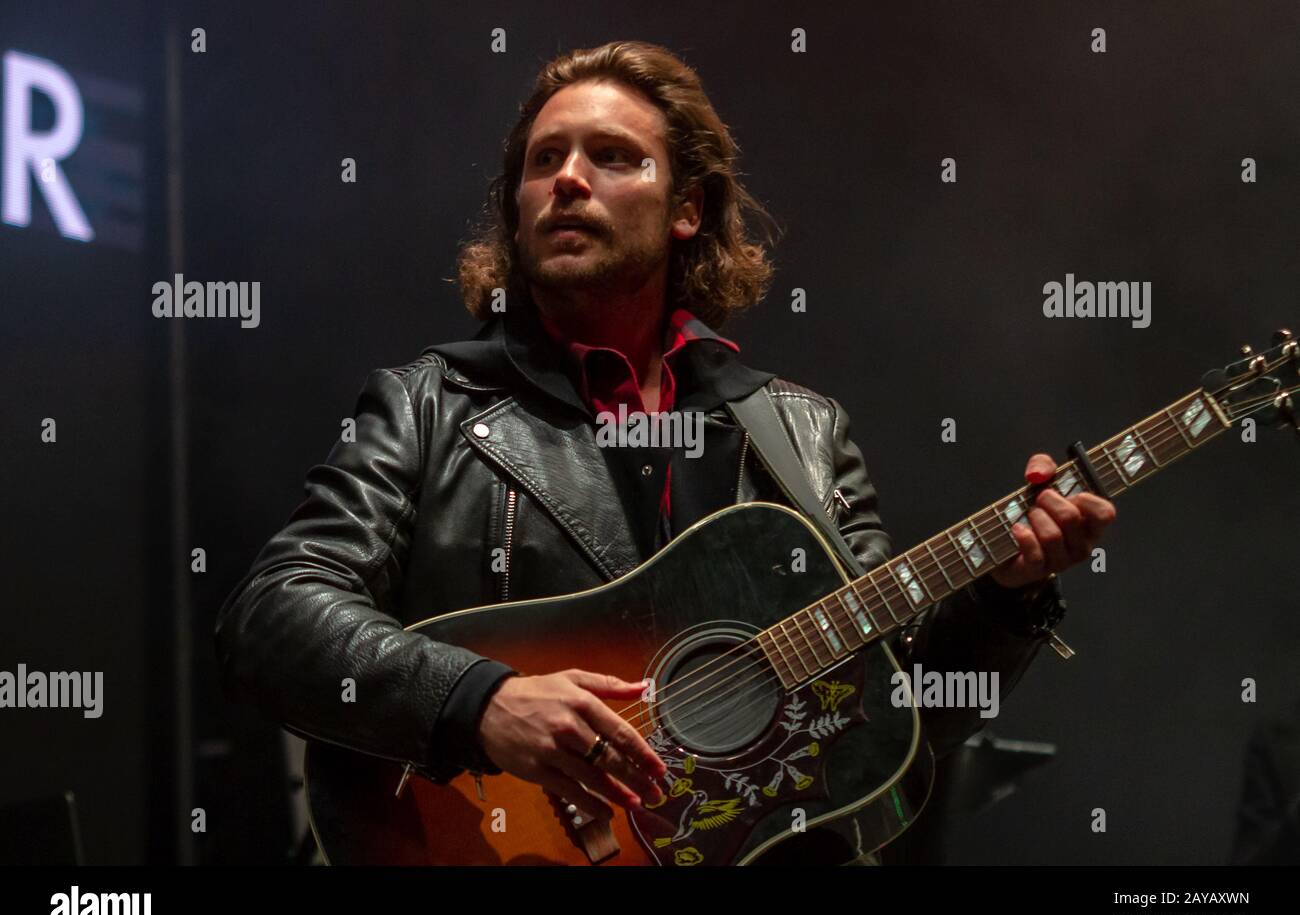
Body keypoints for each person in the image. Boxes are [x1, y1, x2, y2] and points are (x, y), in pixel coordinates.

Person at [214, 40, 1116, 864]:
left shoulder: (800, 431)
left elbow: (885, 716)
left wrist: (1006, 598)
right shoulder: (428, 404)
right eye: (544, 159)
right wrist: (478, 701)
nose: (568, 179)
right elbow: (273, 619)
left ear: (688, 208)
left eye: (612, 156)